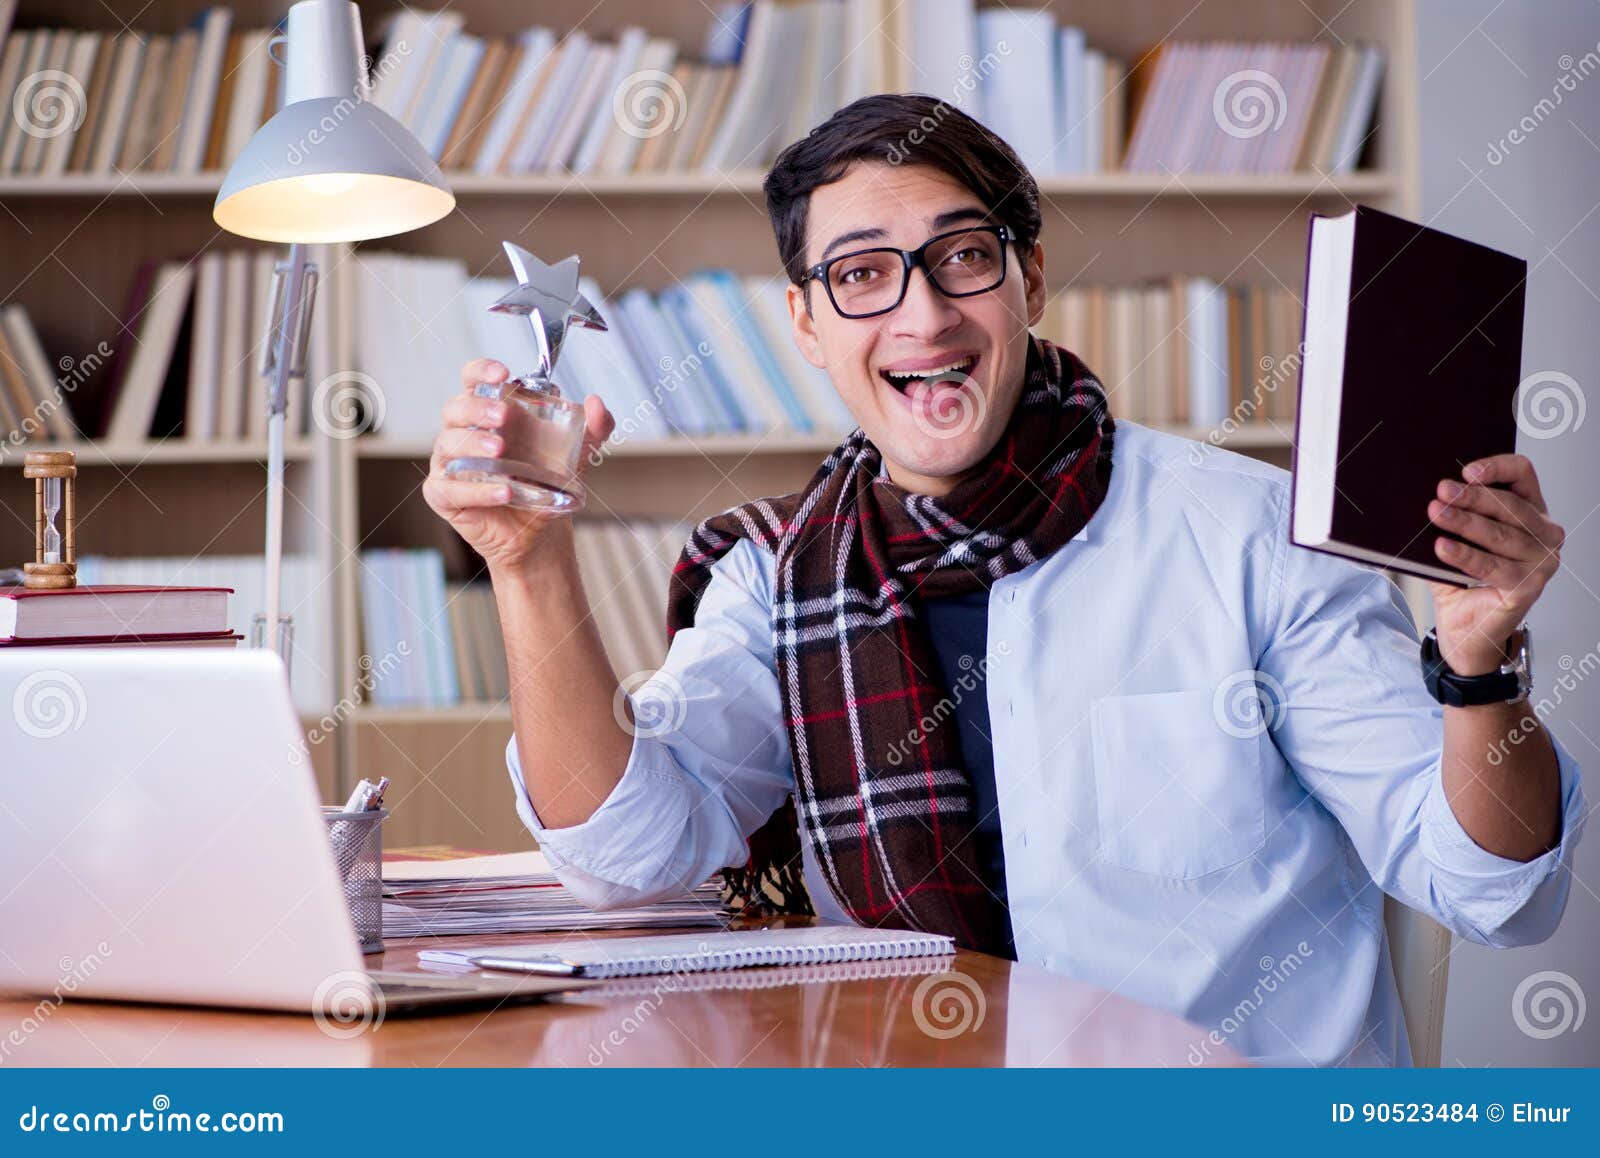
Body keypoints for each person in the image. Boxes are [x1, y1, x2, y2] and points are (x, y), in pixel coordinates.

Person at [424, 95, 1583, 1065]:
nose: (923, 314)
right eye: (863, 275)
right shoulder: (778, 574)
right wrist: (528, 563)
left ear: (1028, 278)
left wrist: (1477, 667)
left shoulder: (1250, 535)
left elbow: (1489, 889)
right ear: (805, 323)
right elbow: (625, 857)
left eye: (961, 258)